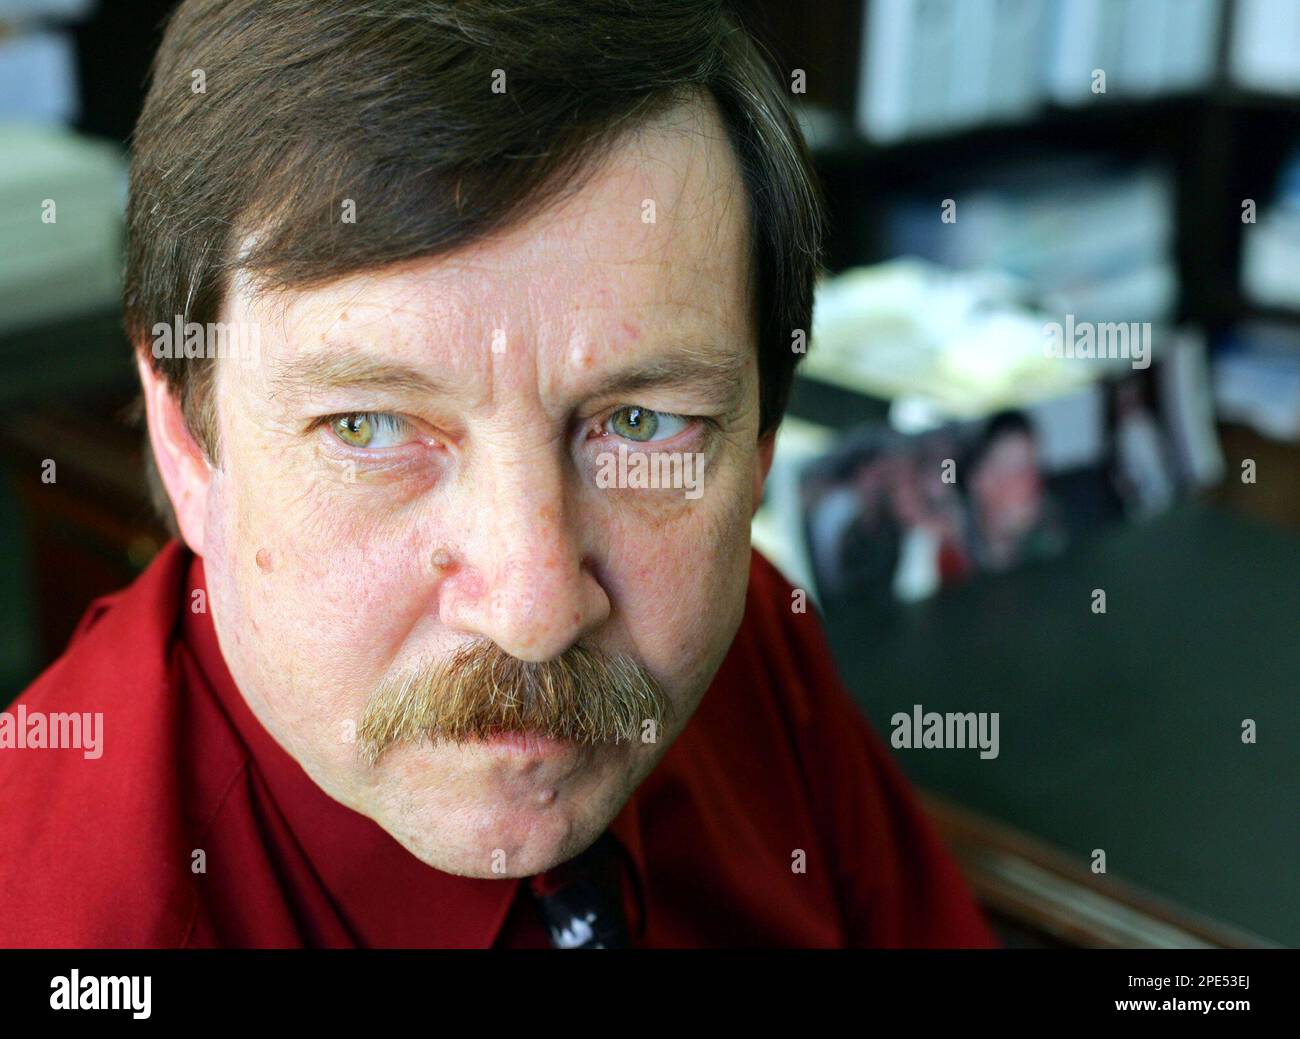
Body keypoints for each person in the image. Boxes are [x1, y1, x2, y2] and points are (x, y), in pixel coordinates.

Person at [0, 0, 997, 949]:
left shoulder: (749, 649)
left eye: (641, 425)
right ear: (185, 438)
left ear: (759, 446)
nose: (536, 612)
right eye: (372, 424)